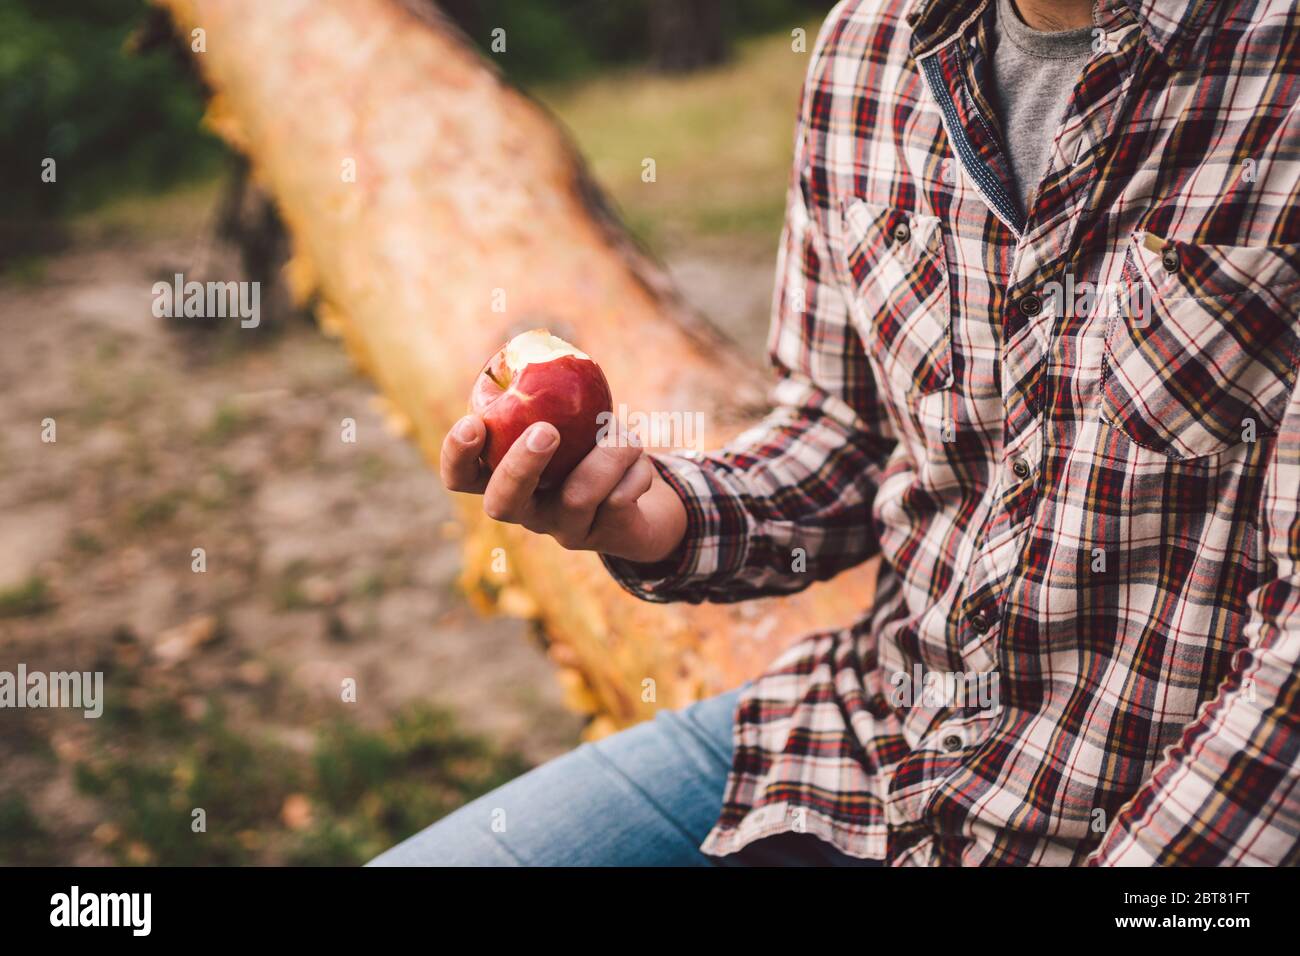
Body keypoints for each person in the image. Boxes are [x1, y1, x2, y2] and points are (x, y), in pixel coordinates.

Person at [372, 0, 1300, 866]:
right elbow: (847, 428)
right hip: (861, 745)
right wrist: (671, 517)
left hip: (1158, 814)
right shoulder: (869, 46)